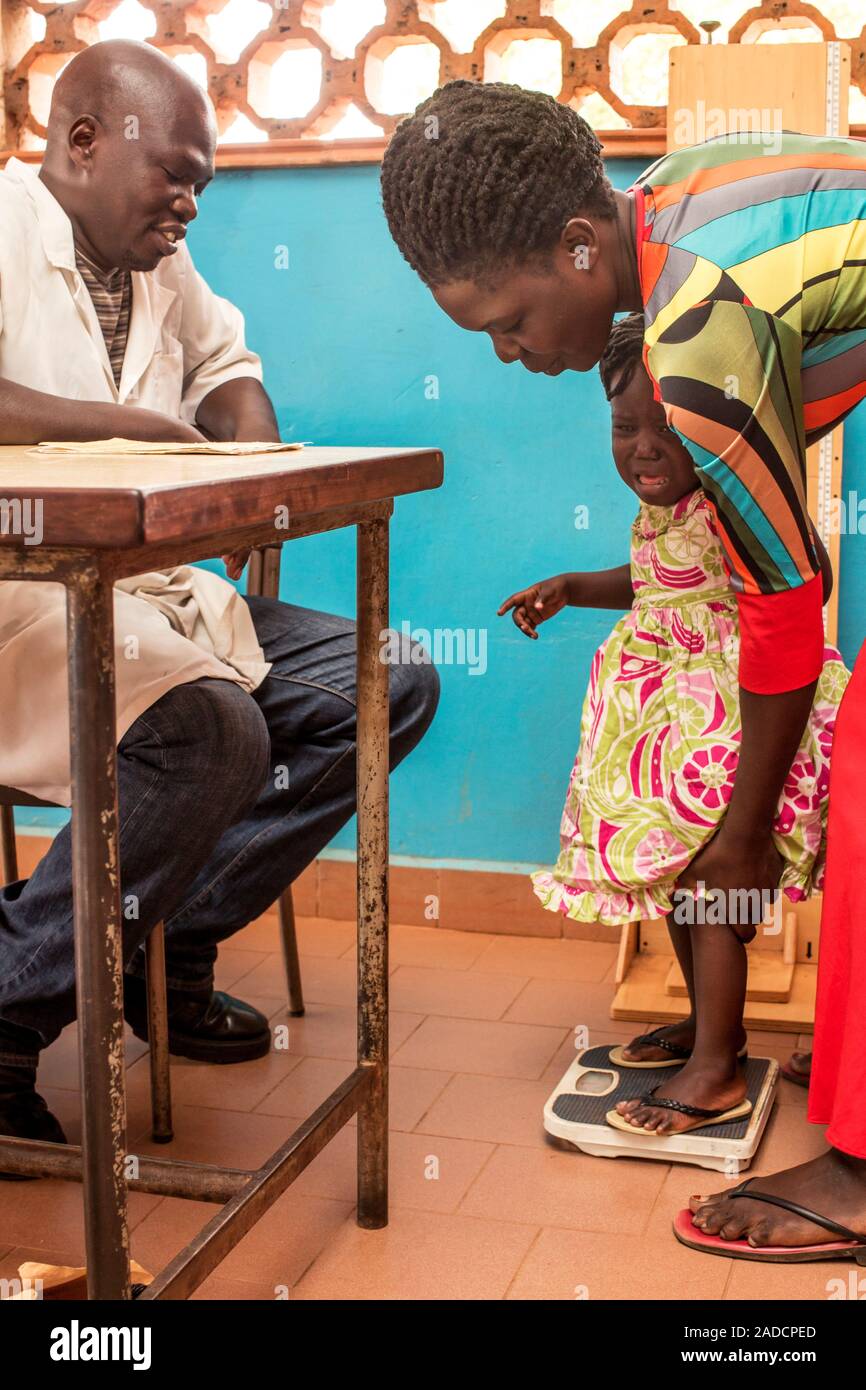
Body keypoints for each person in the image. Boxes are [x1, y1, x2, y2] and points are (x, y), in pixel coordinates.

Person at [380, 79, 866, 1252]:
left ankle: (859, 1167)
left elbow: (784, 601)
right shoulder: (652, 218)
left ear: (577, 244)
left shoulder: (693, 335)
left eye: (504, 320)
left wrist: (741, 832)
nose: (505, 355)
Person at [0, 41, 438, 1160]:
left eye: (207, 180)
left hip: (141, 596)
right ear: (83, 141)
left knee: (381, 685)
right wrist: (136, 432)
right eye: (177, 174)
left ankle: (168, 943)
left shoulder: (156, 264)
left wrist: (242, 433)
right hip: (19, 598)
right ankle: (9, 1010)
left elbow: (225, 367)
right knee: (206, 733)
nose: (191, 201)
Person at [498, 313, 847, 1135]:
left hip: (726, 719)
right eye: (624, 428)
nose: (644, 447)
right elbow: (658, 576)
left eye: (667, 429)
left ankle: (719, 1067)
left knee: (711, 882)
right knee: (673, 875)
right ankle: (707, 1027)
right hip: (664, 723)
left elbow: (809, 575)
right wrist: (574, 586)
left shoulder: (734, 502)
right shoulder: (671, 509)